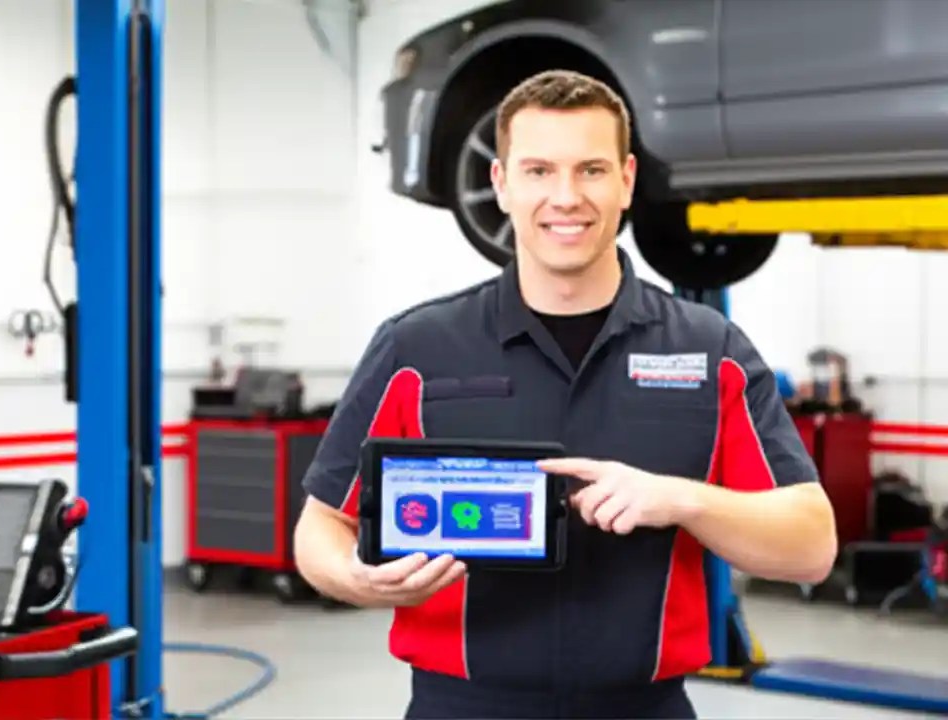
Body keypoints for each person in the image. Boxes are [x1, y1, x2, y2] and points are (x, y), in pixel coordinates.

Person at [293, 69, 837, 719]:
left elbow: (812, 546)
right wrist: (354, 578)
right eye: (539, 170)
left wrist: (681, 499)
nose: (566, 196)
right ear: (501, 184)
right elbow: (320, 526)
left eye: (591, 170)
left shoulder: (708, 352)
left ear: (627, 180)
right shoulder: (416, 349)